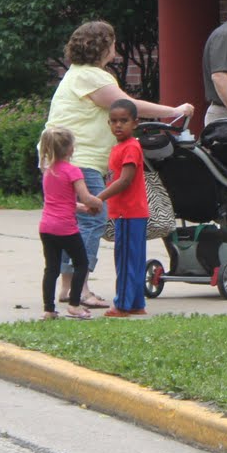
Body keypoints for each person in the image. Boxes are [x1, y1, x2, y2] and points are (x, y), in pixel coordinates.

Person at [46, 20, 195, 308]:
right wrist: (174, 111)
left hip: (61, 162)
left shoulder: (76, 75)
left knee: (73, 223)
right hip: (81, 161)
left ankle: (67, 287)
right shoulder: (93, 77)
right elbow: (129, 108)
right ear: (103, 47)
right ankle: (82, 289)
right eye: (112, 42)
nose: (115, 47)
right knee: (92, 220)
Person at [36, 126, 105, 320]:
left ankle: (48, 309)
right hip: (66, 228)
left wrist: (81, 208)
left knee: (51, 268)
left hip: (47, 227)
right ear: (71, 149)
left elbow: (59, 200)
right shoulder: (73, 171)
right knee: (81, 263)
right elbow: (87, 197)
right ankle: (75, 304)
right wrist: (98, 203)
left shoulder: (49, 172)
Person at [94, 99, 149, 317]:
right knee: (134, 259)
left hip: (129, 212)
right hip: (130, 213)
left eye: (124, 121)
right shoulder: (120, 147)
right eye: (114, 121)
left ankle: (123, 305)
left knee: (126, 260)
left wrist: (99, 198)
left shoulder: (131, 147)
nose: (118, 125)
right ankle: (136, 302)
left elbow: (125, 180)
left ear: (135, 123)